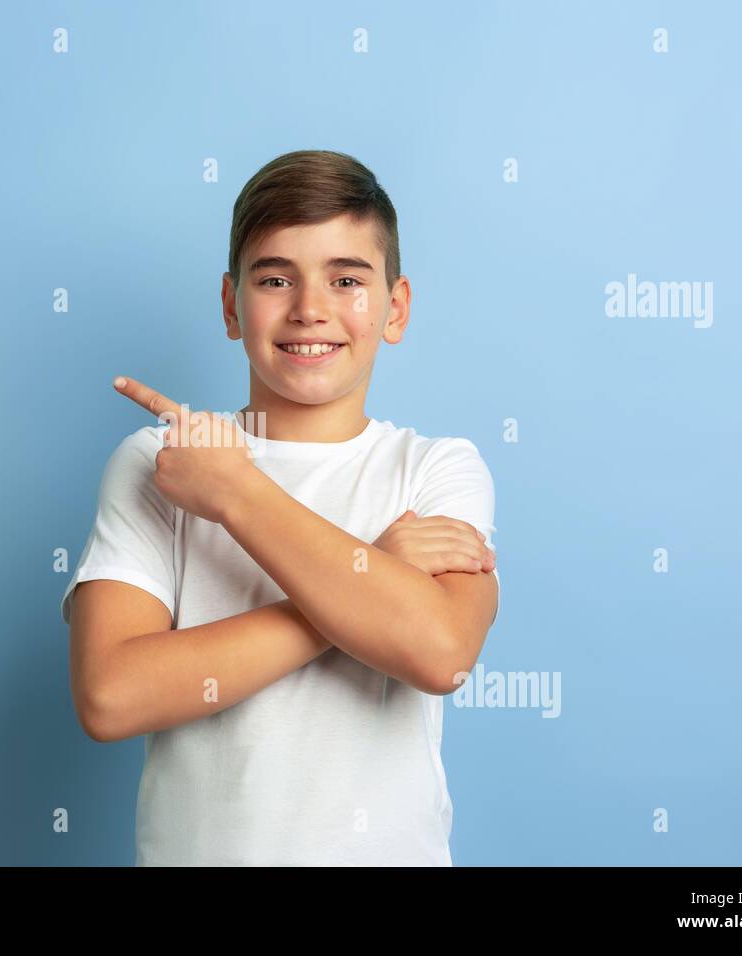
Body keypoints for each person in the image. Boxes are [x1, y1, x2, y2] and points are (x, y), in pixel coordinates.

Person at [60, 149, 499, 865]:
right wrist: (368, 581)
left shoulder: (435, 469)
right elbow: (111, 696)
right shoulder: (161, 462)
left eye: (347, 279)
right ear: (232, 306)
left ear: (396, 308)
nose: (310, 309)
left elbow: (440, 652)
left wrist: (237, 494)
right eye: (274, 278)